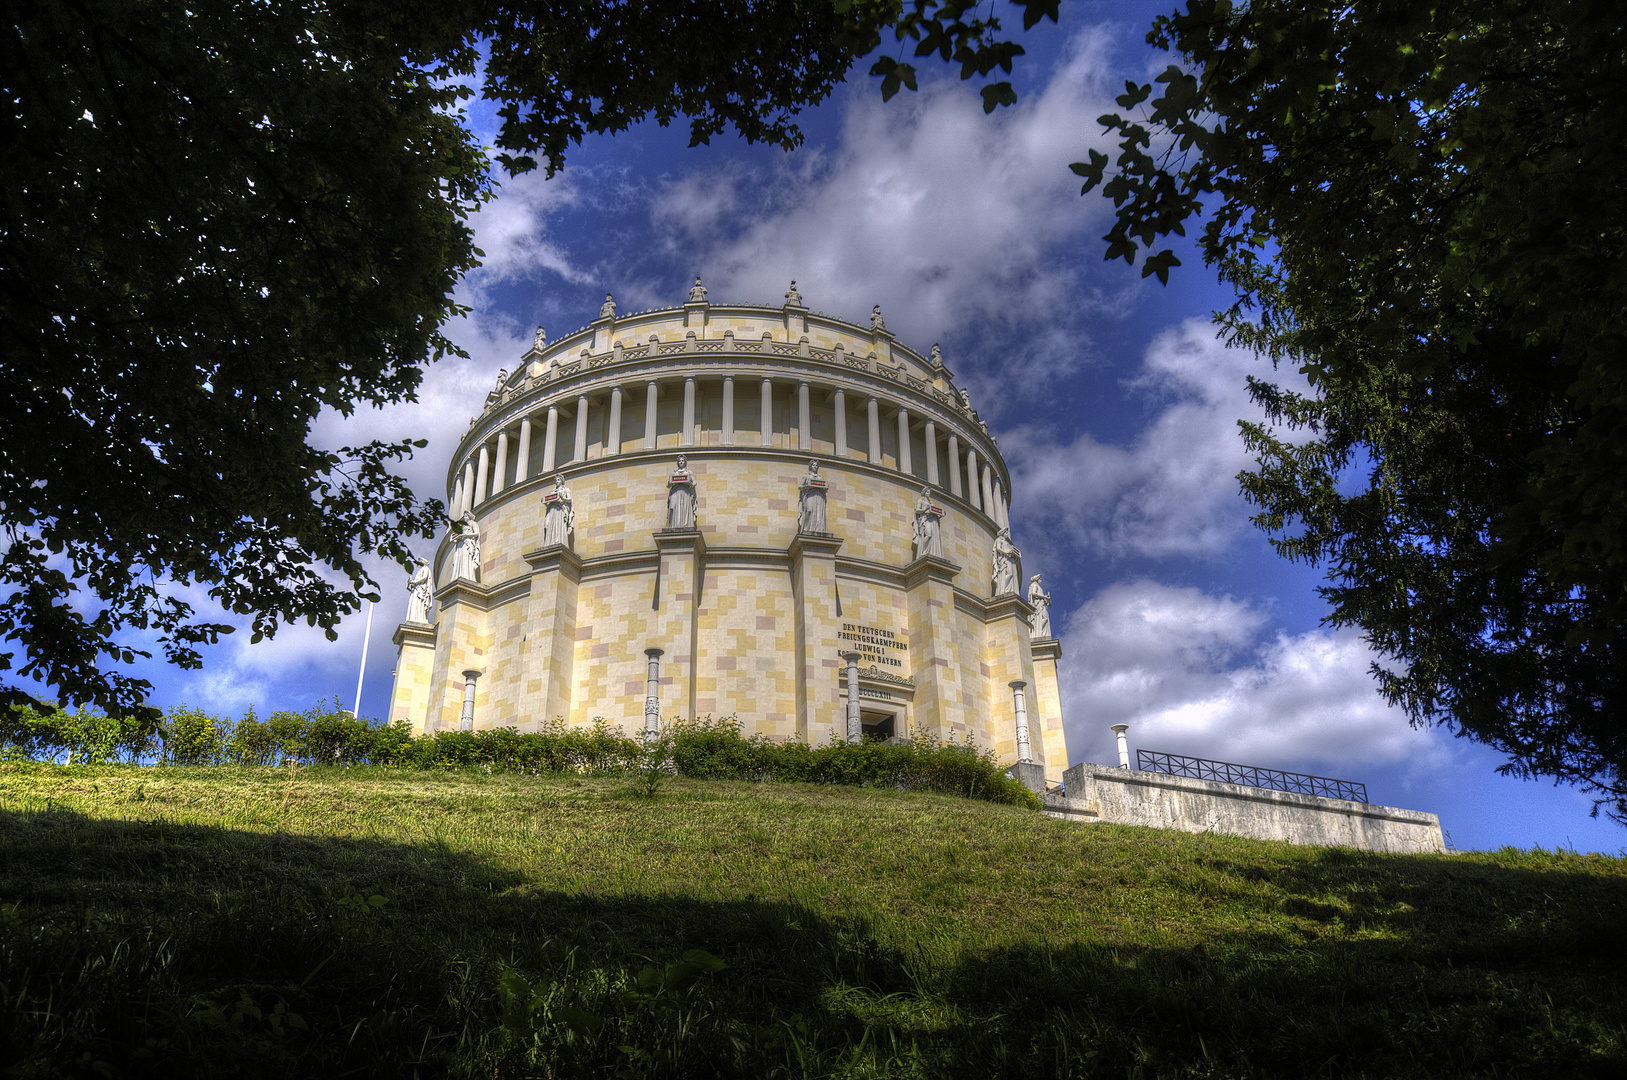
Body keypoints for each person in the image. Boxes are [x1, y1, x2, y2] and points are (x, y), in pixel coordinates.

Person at [541, 474, 574, 547]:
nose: (557, 481)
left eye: (558, 480)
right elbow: (550, 501)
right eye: (556, 480)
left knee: (559, 524)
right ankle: (551, 541)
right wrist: (545, 502)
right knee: (549, 524)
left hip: (560, 510)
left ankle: (559, 540)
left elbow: (569, 500)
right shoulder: (553, 491)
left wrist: (563, 498)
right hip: (552, 510)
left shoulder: (566, 490)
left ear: (562, 481)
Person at [666, 455, 697, 529]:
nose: (681, 462)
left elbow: (694, 482)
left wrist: (689, 484)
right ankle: (673, 525)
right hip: (675, 492)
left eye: (682, 461)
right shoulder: (674, 473)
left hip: (685, 492)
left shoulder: (688, 472)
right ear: (677, 463)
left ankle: (685, 525)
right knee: (672, 507)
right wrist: (671, 482)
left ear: (685, 462)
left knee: (684, 508)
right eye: (679, 461)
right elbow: (668, 484)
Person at [797, 459, 828, 533]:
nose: (815, 467)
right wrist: (806, 486)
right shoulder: (806, 476)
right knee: (809, 510)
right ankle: (806, 529)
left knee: (818, 515)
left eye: (817, 465)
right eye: (814, 465)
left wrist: (825, 488)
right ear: (810, 466)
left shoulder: (820, 477)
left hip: (819, 496)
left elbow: (824, 487)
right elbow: (800, 487)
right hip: (810, 495)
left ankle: (818, 530)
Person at [912, 485, 943, 559]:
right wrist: (924, 509)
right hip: (925, 519)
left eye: (929, 492)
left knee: (933, 536)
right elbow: (917, 511)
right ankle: (924, 552)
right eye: (928, 492)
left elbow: (934, 510)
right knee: (928, 535)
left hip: (933, 520)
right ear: (924, 492)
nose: (929, 493)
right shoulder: (921, 500)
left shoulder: (931, 502)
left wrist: (940, 515)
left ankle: (932, 552)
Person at [449, 510, 481, 582]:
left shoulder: (473, 523)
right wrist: (455, 538)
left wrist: (465, 535)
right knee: (459, 558)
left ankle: (466, 576)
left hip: (467, 544)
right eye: (464, 516)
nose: (464, 517)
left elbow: (476, 533)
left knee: (466, 558)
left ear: (469, 517)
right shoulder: (463, 526)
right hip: (460, 544)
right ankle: (458, 575)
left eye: (466, 516)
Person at [405, 557, 433, 624]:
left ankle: (419, 618)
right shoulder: (421, 570)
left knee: (419, 603)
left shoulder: (426, 568)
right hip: (416, 589)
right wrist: (411, 584)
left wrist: (414, 582)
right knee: (414, 603)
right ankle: (414, 618)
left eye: (419, 561)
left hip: (420, 589)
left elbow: (424, 577)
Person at [991, 527, 1019, 596]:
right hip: (1004, 558)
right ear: (1003, 533)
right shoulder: (999, 540)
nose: (1007, 534)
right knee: (1009, 574)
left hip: (1009, 558)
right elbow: (998, 548)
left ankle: (1007, 590)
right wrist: (1006, 553)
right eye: (1006, 532)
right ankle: (1004, 590)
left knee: (1011, 574)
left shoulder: (1007, 543)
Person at [1027, 573, 1052, 638]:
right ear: (1037, 579)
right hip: (1038, 605)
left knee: (1045, 619)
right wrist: (1045, 597)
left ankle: (1041, 632)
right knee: (1044, 618)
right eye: (1040, 579)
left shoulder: (1038, 586)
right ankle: (1039, 632)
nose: (1041, 580)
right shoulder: (1034, 585)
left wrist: (1046, 600)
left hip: (1042, 604)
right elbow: (1033, 593)